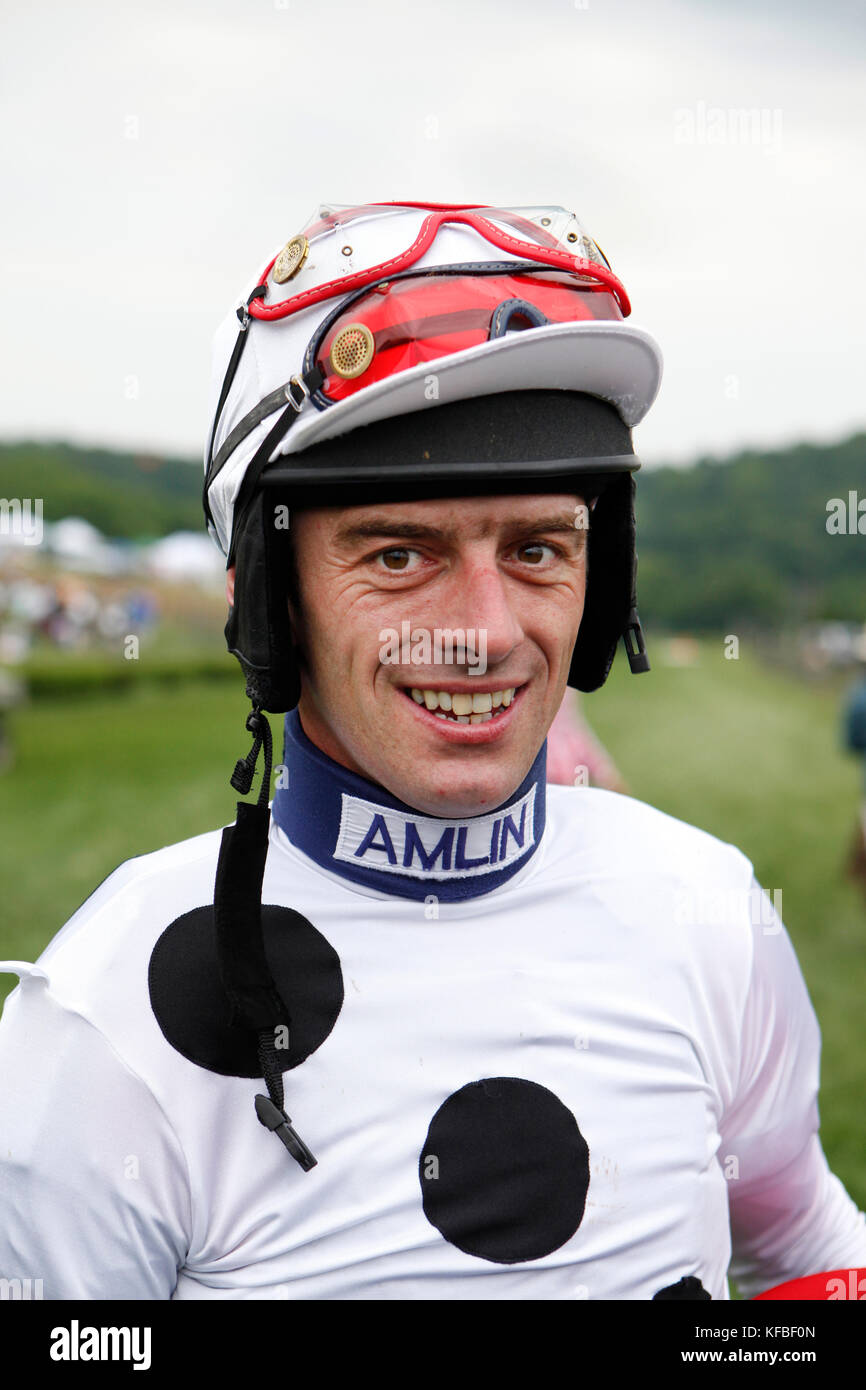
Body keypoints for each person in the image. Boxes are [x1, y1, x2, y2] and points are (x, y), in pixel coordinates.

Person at [1, 201, 864, 1301]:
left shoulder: (712, 913)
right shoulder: (97, 1027)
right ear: (271, 604)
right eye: (400, 552)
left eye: (538, 547)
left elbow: (808, 1247)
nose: (487, 631)